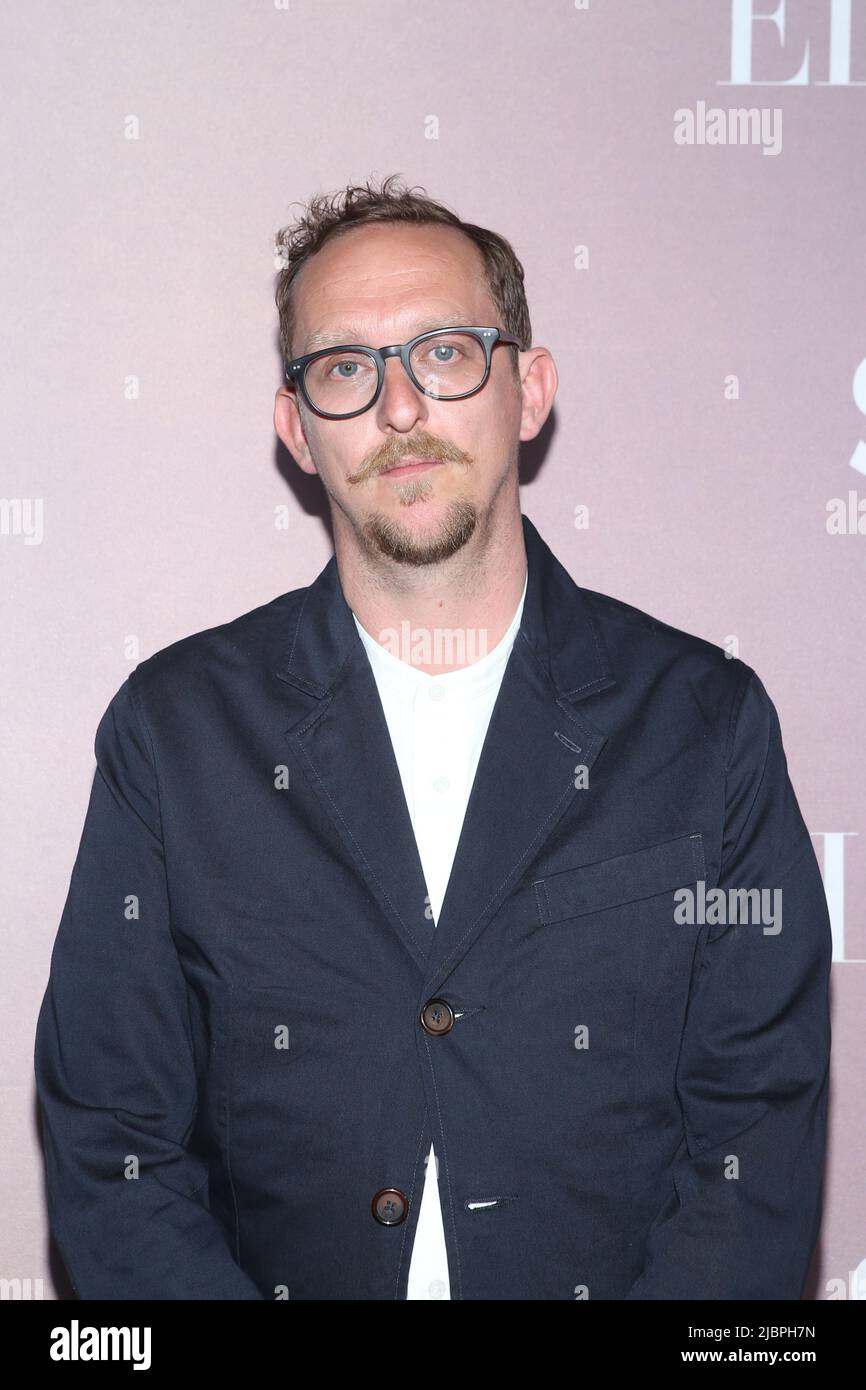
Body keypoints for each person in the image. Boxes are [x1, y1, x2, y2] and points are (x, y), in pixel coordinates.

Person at [34, 175, 831, 1300]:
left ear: (529, 390)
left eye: (444, 352)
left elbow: (751, 1149)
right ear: (297, 431)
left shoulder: (704, 726)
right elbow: (113, 1145)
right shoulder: (175, 735)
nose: (399, 409)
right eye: (346, 368)